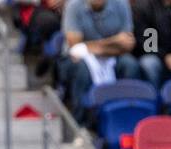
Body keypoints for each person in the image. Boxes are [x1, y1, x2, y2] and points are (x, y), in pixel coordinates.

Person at [58, 0, 140, 129]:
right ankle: (80, 124)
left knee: (130, 64)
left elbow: (127, 44)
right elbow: (75, 47)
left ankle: (124, 120)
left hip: (112, 56)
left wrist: (92, 47)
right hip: (77, 59)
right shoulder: (73, 6)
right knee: (81, 68)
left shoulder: (121, 4)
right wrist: (113, 41)